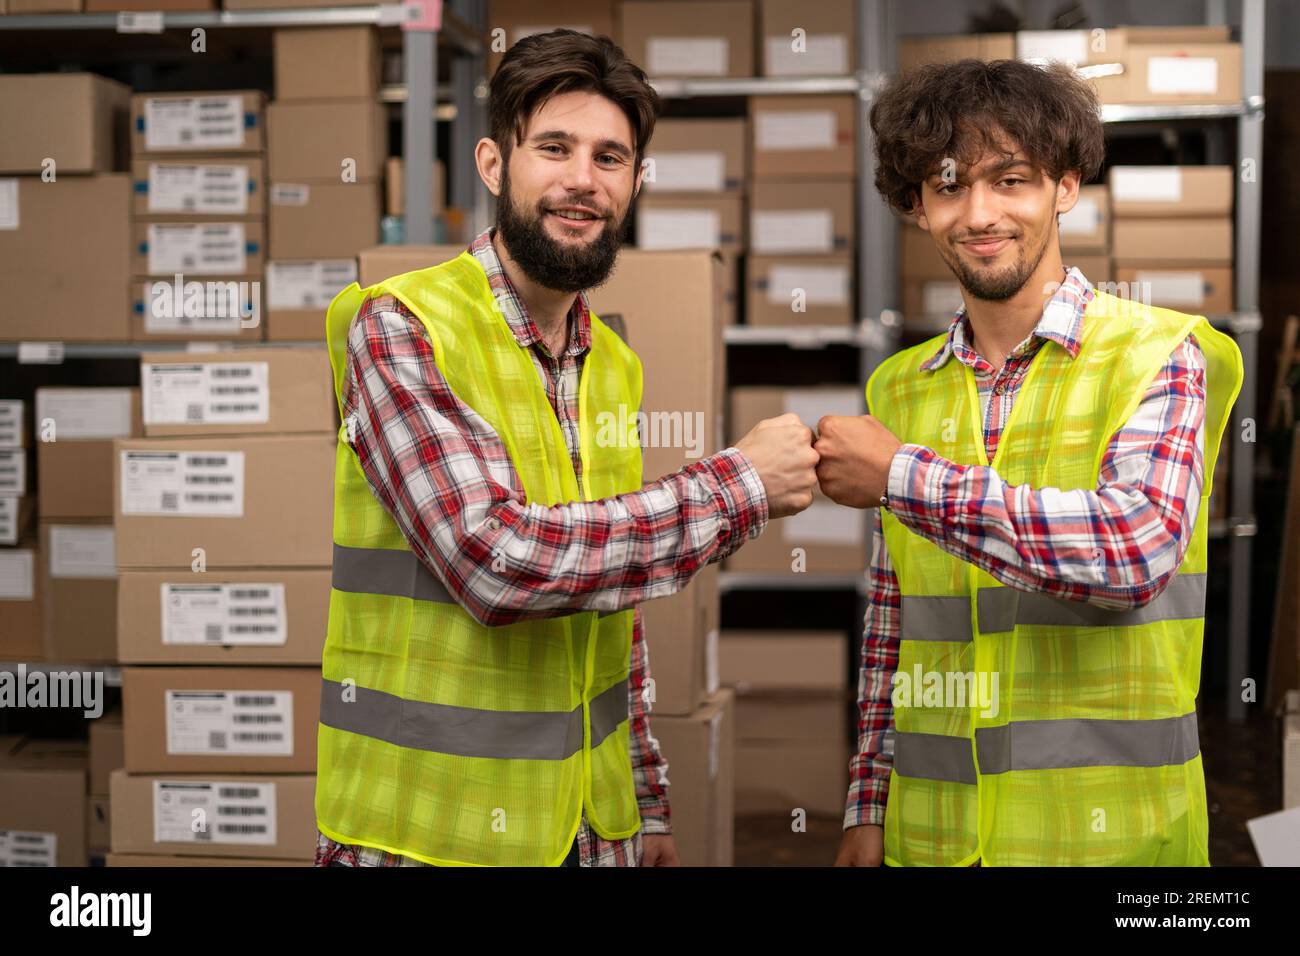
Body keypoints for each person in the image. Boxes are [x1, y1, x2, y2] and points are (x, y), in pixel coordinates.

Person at [314, 29, 819, 868]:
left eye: (611, 158)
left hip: (591, 834)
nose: (583, 179)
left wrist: (644, 800)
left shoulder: (611, 363)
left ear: (635, 182)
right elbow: (495, 560)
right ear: (492, 164)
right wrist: (739, 486)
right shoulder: (401, 326)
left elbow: (614, 590)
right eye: (554, 147)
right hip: (423, 834)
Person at [817, 58, 1242, 866]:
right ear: (917, 206)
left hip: (1113, 841)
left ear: (1066, 187)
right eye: (949, 187)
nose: (979, 213)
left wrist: (901, 475)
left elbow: (1133, 551)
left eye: (1010, 179)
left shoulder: (1158, 354)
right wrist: (867, 802)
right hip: (934, 837)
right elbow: (890, 618)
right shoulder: (899, 388)